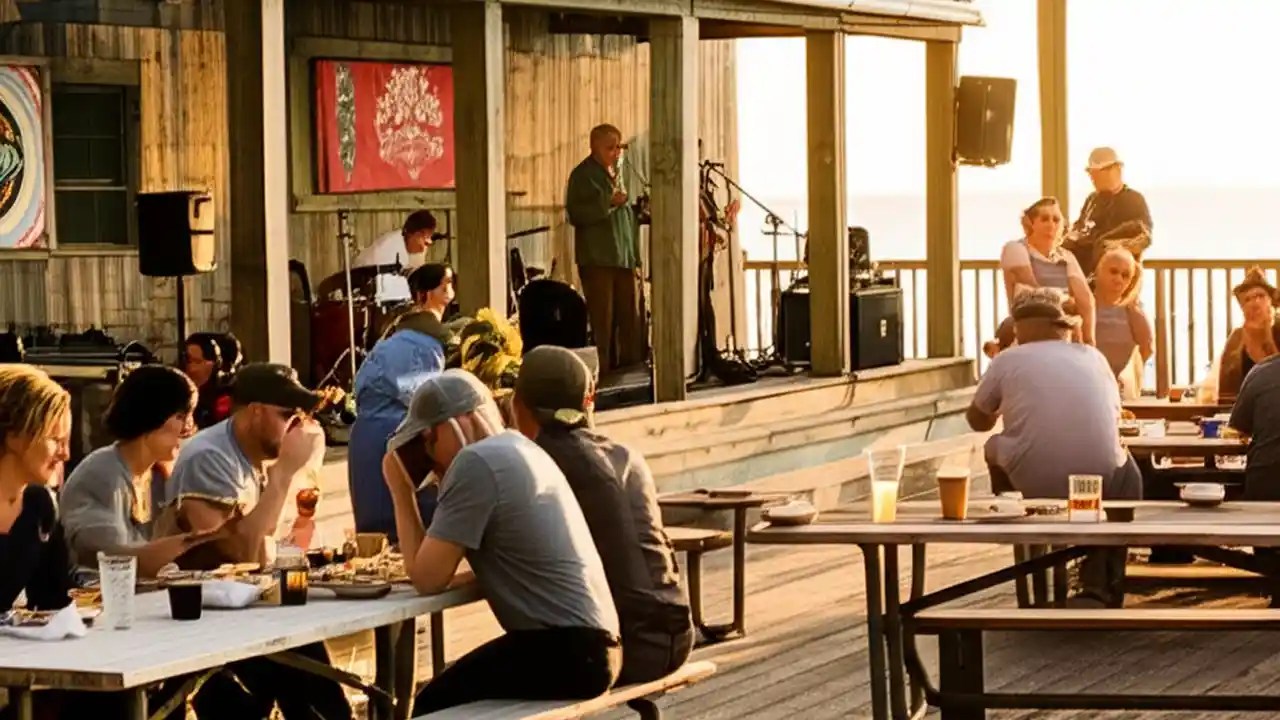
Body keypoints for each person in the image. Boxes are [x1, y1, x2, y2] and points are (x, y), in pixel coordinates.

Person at [380, 369, 620, 714]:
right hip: (595, 645)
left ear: (460, 421)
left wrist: (401, 492)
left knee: (429, 705)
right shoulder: (519, 446)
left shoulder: (475, 462)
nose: (430, 454)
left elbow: (426, 578)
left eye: (430, 438)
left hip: (568, 651)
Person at [155, 362, 353, 719]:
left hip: (243, 611)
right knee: (300, 674)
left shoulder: (256, 456)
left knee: (314, 680)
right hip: (192, 618)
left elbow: (276, 550)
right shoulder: (210, 458)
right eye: (288, 416)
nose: (297, 427)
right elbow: (243, 556)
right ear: (256, 412)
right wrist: (283, 475)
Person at [510, 346, 693, 683]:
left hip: (622, 648)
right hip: (678, 632)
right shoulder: (625, 455)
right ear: (587, 401)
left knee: (443, 692)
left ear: (519, 405)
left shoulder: (538, 466)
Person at [966, 289, 1141, 607]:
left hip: (1034, 480)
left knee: (994, 446)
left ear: (1019, 328)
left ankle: (1023, 529)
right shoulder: (1094, 357)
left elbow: (977, 422)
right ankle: (1103, 574)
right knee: (1127, 471)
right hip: (1095, 486)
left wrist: (1002, 397)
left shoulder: (1007, 360)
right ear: (1064, 327)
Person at [61, 366, 225, 576]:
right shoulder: (102, 476)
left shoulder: (158, 475)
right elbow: (118, 561)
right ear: (152, 415)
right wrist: (194, 539)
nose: (189, 427)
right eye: (181, 416)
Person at [349, 264, 455, 540]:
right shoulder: (418, 341)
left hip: (370, 432)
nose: (450, 293)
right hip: (397, 430)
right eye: (444, 286)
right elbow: (424, 397)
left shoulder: (401, 334)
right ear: (423, 294)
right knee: (404, 523)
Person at [566, 123, 642, 374]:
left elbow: (625, 218)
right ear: (594, 147)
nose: (615, 152)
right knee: (603, 320)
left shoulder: (617, 173)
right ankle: (604, 372)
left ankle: (630, 370)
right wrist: (607, 202)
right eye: (610, 148)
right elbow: (576, 214)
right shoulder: (582, 175)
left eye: (618, 147)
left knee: (629, 316)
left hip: (622, 257)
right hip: (598, 258)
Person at [0, 364, 73, 613]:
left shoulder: (39, 505)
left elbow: (52, 605)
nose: (65, 454)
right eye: (56, 440)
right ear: (14, 436)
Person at [988, 197, 1096, 355]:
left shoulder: (1066, 257)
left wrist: (1089, 342)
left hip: (1061, 329)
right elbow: (1034, 290)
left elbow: (1086, 300)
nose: (1051, 225)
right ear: (1030, 223)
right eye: (1044, 219)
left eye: (1056, 220)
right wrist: (1065, 300)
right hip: (1028, 329)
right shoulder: (1016, 249)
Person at [1064, 147, 1153, 277]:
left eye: (1098, 174)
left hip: (1117, 277)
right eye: (1091, 174)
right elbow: (1080, 227)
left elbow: (1144, 237)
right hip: (1086, 276)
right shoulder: (1092, 200)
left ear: (1116, 170)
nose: (1093, 179)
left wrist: (1111, 246)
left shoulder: (1133, 200)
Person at [1200, 267, 1280, 403]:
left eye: (1260, 296)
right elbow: (1225, 390)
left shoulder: (1277, 330)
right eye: (1247, 299)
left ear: (1270, 302)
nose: (1254, 303)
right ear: (1243, 309)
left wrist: (1267, 334)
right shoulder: (1236, 339)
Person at [1091, 229, 1154, 398]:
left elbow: (1147, 347)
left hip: (1120, 383)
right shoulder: (1086, 305)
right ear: (1099, 271)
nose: (1118, 279)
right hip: (1089, 379)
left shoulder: (1132, 311)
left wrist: (1128, 374)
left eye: (1125, 275)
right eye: (1113, 271)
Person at [353, 209, 437, 272]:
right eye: (425, 237)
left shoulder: (416, 248)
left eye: (430, 237)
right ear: (414, 234)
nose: (429, 242)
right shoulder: (386, 251)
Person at [184, 333, 236, 430]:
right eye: (189, 361)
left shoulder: (225, 399)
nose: (191, 369)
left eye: (198, 361)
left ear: (217, 364)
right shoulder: (182, 396)